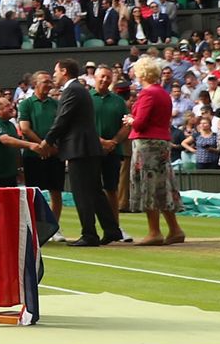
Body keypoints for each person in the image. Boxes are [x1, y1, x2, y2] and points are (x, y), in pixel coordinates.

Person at [40, 59, 124, 247]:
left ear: (64, 71)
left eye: (56, 71)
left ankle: (89, 234)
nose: (54, 75)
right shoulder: (79, 90)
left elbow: (63, 119)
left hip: (79, 149)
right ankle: (111, 229)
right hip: (86, 147)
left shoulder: (72, 90)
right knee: (94, 190)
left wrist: (48, 140)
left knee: (82, 193)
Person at [122, 56, 186, 245]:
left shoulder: (148, 93)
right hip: (161, 142)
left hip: (147, 144)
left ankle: (154, 231)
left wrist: (130, 120)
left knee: (150, 186)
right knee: (162, 186)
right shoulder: (163, 93)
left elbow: (140, 123)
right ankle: (175, 229)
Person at [16, 70, 65, 238]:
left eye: (50, 81)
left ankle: (54, 227)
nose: (49, 85)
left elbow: (60, 126)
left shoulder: (56, 104)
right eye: (45, 81)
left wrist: (50, 146)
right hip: (33, 155)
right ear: (35, 84)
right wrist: (42, 146)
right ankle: (35, 226)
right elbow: (25, 128)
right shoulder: (26, 104)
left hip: (54, 152)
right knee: (33, 193)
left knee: (56, 191)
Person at [90, 65, 129, 214]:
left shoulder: (118, 101)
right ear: (95, 77)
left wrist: (113, 142)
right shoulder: (86, 98)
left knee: (112, 189)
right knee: (92, 189)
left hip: (113, 151)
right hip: (91, 150)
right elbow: (82, 126)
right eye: (102, 76)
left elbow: (126, 125)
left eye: (108, 77)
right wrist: (101, 142)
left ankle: (115, 226)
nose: (105, 80)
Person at [0, 96, 41, 185]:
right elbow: (5, 140)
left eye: (11, 104)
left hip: (9, 174)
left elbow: (16, 148)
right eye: (7, 106)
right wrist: (31, 145)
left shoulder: (11, 125)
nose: (12, 107)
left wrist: (19, 169)